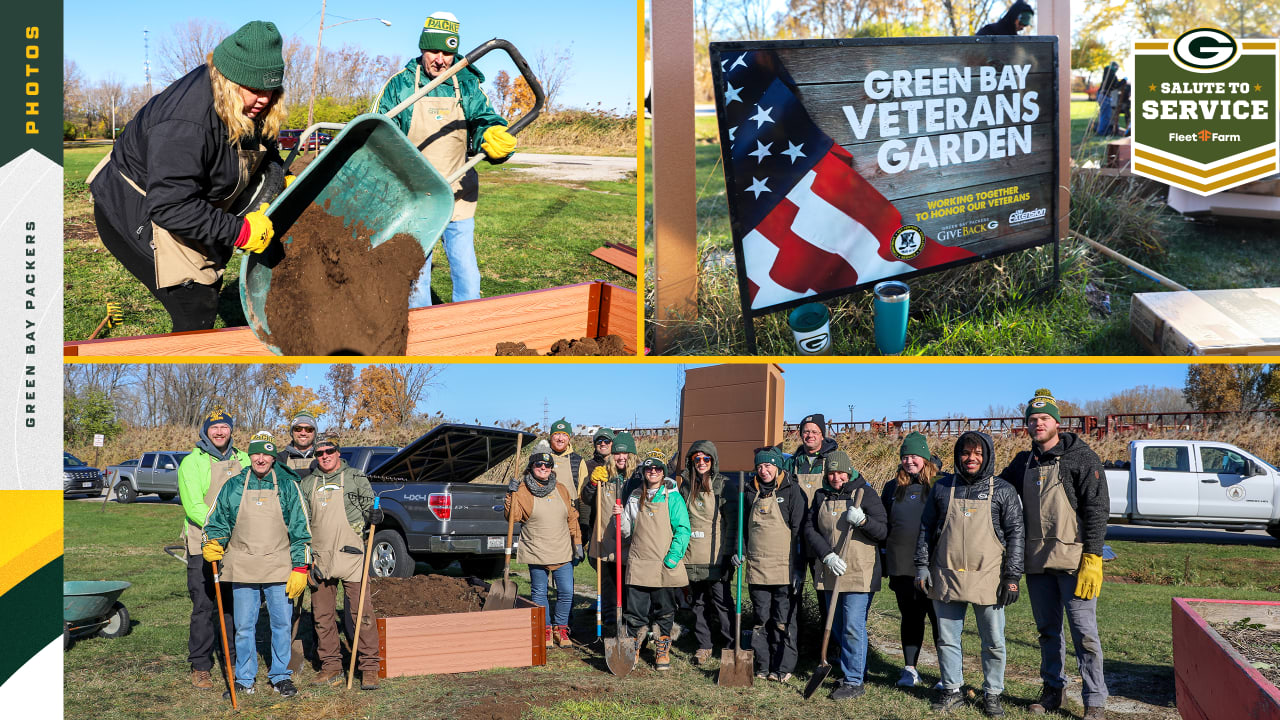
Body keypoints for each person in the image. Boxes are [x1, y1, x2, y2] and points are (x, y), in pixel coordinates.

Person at [88, 21, 288, 331]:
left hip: (183, 197)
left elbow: (265, 145)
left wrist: (282, 178)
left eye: (271, 89)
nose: (264, 98)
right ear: (230, 79)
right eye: (255, 89)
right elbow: (170, 206)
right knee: (194, 302)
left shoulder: (245, 103)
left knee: (210, 272)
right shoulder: (184, 122)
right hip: (136, 209)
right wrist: (243, 233)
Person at [369, 11, 515, 308]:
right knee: (417, 279)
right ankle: (423, 345)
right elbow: (378, 134)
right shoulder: (400, 86)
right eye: (434, 51)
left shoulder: (467, 84)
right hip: (415, 198)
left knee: (468, 277)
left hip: (458, 193)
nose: (441, 59)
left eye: (448, 52)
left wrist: (491, 135)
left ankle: (462, 337)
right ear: (422, 48)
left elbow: (482, 119)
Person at [999, 390, 1109, 720]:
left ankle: (1095, 700)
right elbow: (996, 490)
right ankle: (1052, 691)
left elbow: (1098, 509)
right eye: (1032, 420)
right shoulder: (1023, 462)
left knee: (1084, 634)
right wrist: (952, 480)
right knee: (1048, 632)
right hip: (1037, 562)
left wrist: (1093, 557)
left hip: (1075, 563)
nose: (1037, 425)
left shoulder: (1081, 458)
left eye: (1044, 419)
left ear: (1057, 422)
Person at [916, 431, 1024, 717]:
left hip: (989, 578)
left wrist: (1012, 577)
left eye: (977, 452)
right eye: (966, 452)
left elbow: (1016, 536)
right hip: (946, 575)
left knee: (993, 641)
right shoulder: (942, 488)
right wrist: (922, 566)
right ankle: (952, 690)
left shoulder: (1003, 490)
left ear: (986, 455)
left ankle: (992, 693)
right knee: (946, 639)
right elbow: (926, 530)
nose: (971, 458)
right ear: (958, 455)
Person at [202, 433, 311, 699]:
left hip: (278, 564)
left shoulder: (287, 486)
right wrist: (213, 542)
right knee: (244, 626)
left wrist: (300, 567)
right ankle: (244, 678)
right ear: (249, 456)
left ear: (274, 457)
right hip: (242, 564)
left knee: (281, 624)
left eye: (267, 454)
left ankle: (280, 676)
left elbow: (301, 530)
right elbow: (217, 520)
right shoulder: (234, 485)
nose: (261, 459)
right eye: (256, 454)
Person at [297, 436, 381, 690]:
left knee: (361, 614)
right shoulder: (308, 483)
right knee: (323, 616)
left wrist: (378, 514)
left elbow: (370, 510)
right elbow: (303, 520)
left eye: (329, 451)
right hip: (320, 557)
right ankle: (331, 666)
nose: (324, 455)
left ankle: (369, 668)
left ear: (338, 452)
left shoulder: (355, 477)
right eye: (319, 452)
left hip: (352, 555)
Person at [803, 450, 886, 701]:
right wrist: (826, 555)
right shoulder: (820, 495)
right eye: (831, 472)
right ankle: (855, 669)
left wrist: (863, 522)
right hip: (831, 570)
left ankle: (853, 681)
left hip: (860, 571)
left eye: (841, 472)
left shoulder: (865, 493)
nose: (836, 477)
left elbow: (883, 531)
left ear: (849, 471)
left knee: (852, 625)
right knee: (837, 625)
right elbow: (809, 529)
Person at [177, 410, 250, 690]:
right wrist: (220, 527)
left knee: (234, 605)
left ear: (231, 430)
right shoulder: (191, 463)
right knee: (204, 605)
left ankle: (233, 660)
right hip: (203, 540)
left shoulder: (243, 459)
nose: (219, 432)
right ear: (205, 431)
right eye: (214, 427)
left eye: (224, 427)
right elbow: (194, 504)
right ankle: (201, 665)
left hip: (238, 542)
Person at [732, 447, 805, 682]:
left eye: (769, 466)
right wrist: (739, 551)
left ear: (778, 467)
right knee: (761, 620)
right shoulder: (748, 491)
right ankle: (763, 666)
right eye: (760, 466)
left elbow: (799, 532)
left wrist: (798, 568)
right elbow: (742, 529)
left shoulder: (792, 491)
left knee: (783, 621)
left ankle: (783, 667)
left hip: (784, 569)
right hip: (757, 568)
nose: (764, 471)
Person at [880, 432, 942, 689]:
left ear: (925, 458)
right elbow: (883, 524)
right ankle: (910, 669)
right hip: (902, 565)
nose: (909, 461)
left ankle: (946, 674)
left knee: (940, 621)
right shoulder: (892, 487)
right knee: (910, 618)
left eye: (915, 455)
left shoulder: (940, 484)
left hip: (934, 566)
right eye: (905, 456)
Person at [620, 455, 690, 671]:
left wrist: (672, 557)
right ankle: (633, 647)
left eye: (658, 469)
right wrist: (619, 518)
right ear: (644, 472)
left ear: (663, 472)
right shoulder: (634, 496)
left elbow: (683, 529)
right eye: (649, 469)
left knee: (665, 610)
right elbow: (626, 530)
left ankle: (662, 649)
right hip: (640, 562)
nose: (653, 472)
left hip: (663, 564)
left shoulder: (673, 497)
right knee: (634, 611)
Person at [506, 451, 582, 649]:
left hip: (562, 548)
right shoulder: (522, 490)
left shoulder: (561, 489)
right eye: (539, 465)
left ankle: (561, 628)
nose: (543, 468)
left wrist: (578, 543)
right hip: (536, 548)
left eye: (547, 466)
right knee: (540, 592)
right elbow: (512, 517)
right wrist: (510, 495)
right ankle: (545, 628)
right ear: (531, 466)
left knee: (566, 591)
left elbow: (572, 517)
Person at [678, 440, 735, 665]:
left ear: (713, 461)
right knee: (698, 603)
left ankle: (731, 644)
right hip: (692, 553)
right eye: (697, 459)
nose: (701, 463)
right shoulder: (685, 486)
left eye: (706, 459)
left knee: (722, 602)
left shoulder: (723, 485)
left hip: (716, 555)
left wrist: (730, 552)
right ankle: (704, 645)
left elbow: (731, 523)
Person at [580, 431, 636, 628]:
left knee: (630, 586)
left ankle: (631, 626)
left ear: (632, 455)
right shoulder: (604, 474)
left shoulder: (638, 477)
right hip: (607, 539)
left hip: (631, 542)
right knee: (609, 585)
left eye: (625, 453)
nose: (621, 458)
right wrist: (593, 483)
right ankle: (611, 626)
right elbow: (587, 499)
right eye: (617, 454)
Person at [545, 418, 588, 501]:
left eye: (564, 435)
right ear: (551, 437)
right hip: (544, 509)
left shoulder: (578, 461)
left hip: (570, 510)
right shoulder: (540, 458)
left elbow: (583, 495)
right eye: (557, 434)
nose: (560, 439)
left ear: (569, 439)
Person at [276, 413, 318, 479]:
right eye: (298, 429)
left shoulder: (322, 456)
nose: (303, 433)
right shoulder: (279, 459)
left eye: (309, 429)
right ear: (292, 432)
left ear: (314, 433)